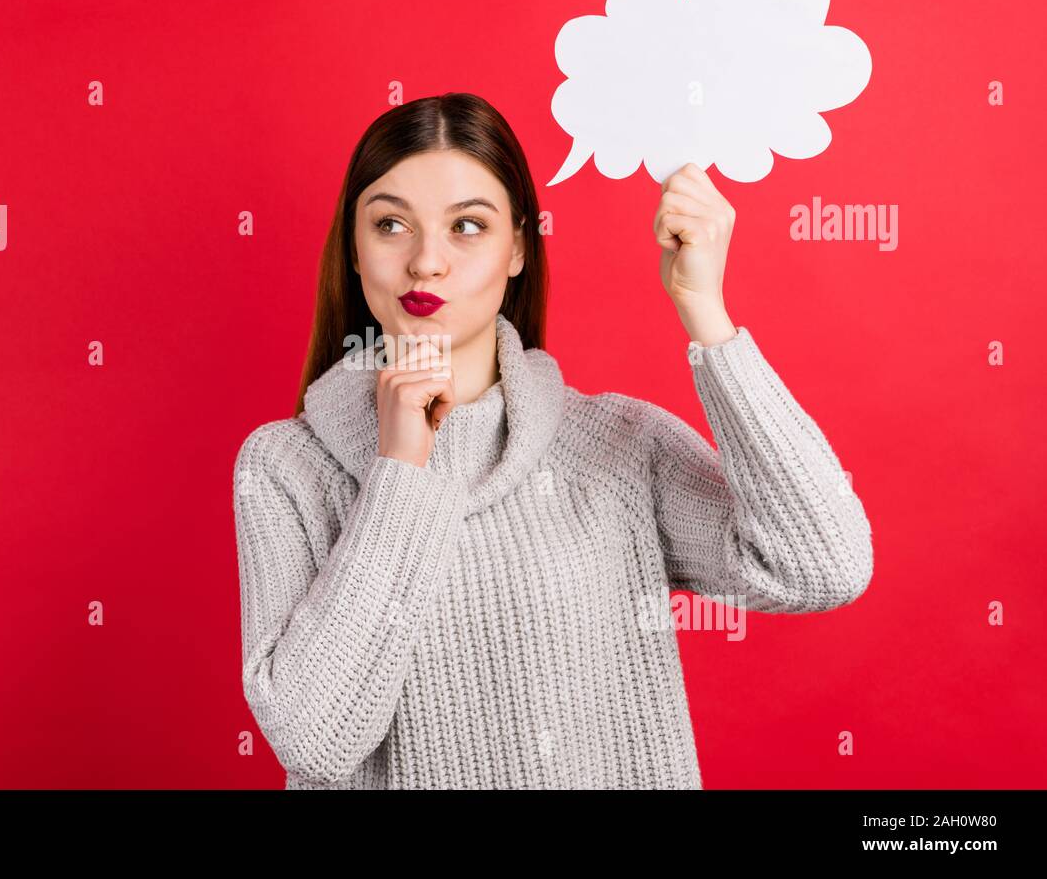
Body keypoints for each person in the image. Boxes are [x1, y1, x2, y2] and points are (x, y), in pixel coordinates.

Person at [232, 92, 873, 789]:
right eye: (391, 224)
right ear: (355, 252)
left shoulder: (616, 449)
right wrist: (401, 473)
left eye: (467, 226)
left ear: (517, 249)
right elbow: (314, 741)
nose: (426, 262)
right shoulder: (284, 467)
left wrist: (706, 314)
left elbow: (822, 565)